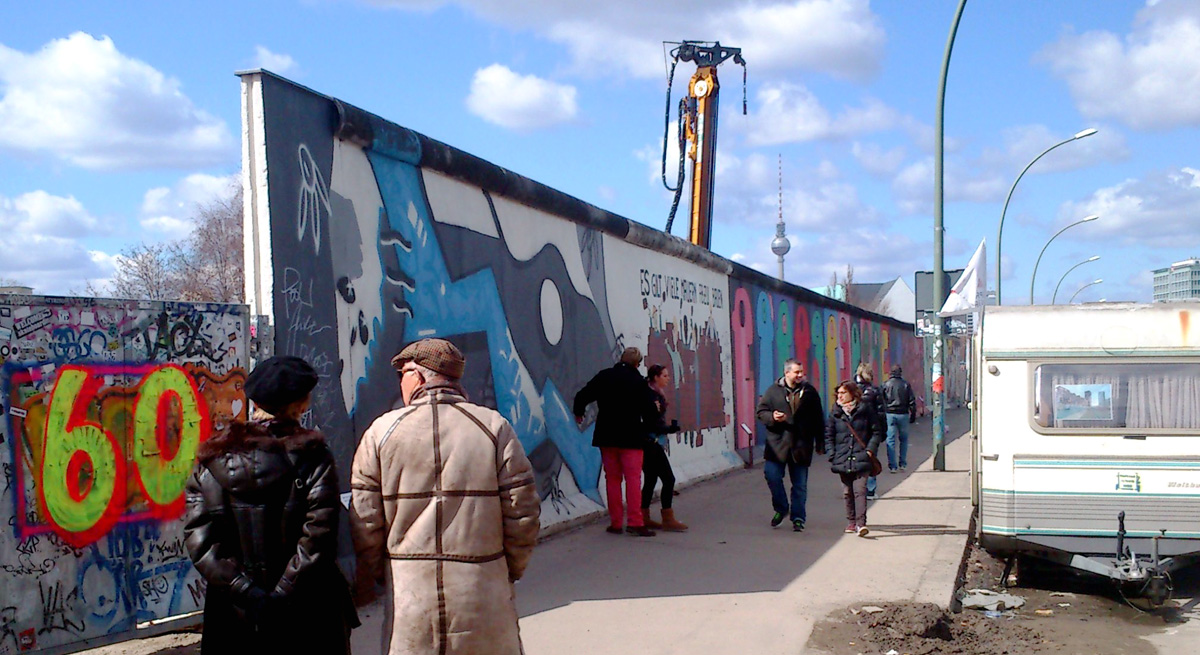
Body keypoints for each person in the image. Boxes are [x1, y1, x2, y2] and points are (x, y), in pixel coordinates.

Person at [350, 338, 540, 655]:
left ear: (419, 376)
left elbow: (365, 520)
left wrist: (380, 574)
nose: (402, 383)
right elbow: (523, 512)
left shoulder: (380, 432)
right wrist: (508, 569)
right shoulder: (493, 427)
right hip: (481, 589)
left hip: (412, 595)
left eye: (404, 374)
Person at [184, 356, 358, 655]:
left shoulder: (210, 462)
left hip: (235, 614)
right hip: (309, 611)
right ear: (301, 404)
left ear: (253, 402)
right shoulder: (314, 458)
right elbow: (319, 537)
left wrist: (246, 591)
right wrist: (281, 593)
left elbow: (201, 543)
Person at [574, 346, 659, 537]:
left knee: (612, 480)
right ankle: (635, 523)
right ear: (637, 363)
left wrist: (579, 412)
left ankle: (615, 523)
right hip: (631, 437)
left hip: (607, 436)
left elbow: (582, 395)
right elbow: (650, 413)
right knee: (633, 480)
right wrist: (652, 427)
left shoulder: (605, 376)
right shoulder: (638, 382)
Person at [755, 359, 826, 532]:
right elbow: (761, 412)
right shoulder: (773, 392)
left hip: (801, 446)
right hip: (777, 445)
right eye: (796, 372)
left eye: (801, 372)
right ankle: (781, 508)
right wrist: (772, 417)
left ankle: (798, 518)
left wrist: (821, 442)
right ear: (787, 373)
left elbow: (818, 418)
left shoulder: (810, 392)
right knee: (772, 475)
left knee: (800, 485)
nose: (800, 375)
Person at [826, 380, 884, 537]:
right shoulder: (836, 412)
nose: (840, 396)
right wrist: (831, 453)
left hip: (861, 456)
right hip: (842, 457)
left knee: (860, 490)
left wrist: (870, 450)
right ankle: (851, 521)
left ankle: (861, 524)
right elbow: (829, 434)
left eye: (843, 393)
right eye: (838, 393)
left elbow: (876, 431)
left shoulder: (865, 409)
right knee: (847, 492)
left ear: (853, 393)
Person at [641, 364, 687, 531]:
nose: (668, 379)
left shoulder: (652, 393)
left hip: (646, 442)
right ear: (655, 377)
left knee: (651, 479)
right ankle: (667, 518)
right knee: (669, 479)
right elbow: (652, 423)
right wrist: (669, 429)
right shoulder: (653, 397)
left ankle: (643, 516)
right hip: (651, 443)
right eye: (665, 376)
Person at [855, 362, 887, 500]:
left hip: (855, 429)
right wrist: (883, 431)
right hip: (871, 430)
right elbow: (880, 413)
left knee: (854, 456)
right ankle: (870, 490)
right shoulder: (874, 391)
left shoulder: (851, 390)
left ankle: (855, 487)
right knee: (871, 457)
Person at [882, 364, 918, 473]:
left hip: (889, 414)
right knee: (904, 440)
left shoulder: (885, 385)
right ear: (900, 373)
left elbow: (882, 400)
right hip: (903, 414)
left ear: (890, 373)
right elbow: (911, 401)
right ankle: (902, 463)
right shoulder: (905, 385)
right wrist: (913, 414)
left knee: (890, 440)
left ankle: (892, 466)